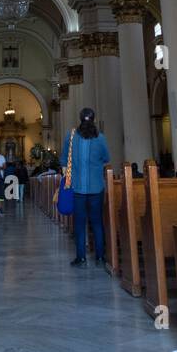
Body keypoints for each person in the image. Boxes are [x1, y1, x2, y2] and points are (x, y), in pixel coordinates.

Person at [63, 108, 111, 267]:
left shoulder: (70, 137)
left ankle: (81, 258)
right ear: (94, 119)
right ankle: (100, 257)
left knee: (79, 224)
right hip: (96, 187)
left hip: (77, 189)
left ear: (79, 119)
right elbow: (106, 158)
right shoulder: (101, 138)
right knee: (97, 222)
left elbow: (64, 161)